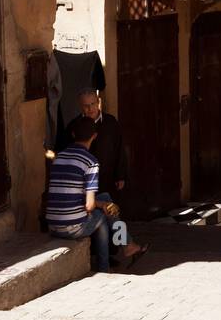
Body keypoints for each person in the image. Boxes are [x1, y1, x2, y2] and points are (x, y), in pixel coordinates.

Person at [46, 116, 146, 272]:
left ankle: (126, 245)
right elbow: (90, 206)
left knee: (105, 198)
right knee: (104, 216)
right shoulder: (90, 161)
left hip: (52, 224)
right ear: (94, 136)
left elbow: (71, 194)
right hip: (70, 227)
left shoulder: (59, 158)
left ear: (73, 134)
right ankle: (109, 262)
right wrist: (103, 206)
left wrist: (103, 204)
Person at [68, 90, 130, 196]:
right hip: (84, 183)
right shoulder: (74, 126)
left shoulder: (110, 122)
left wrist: (120, 175)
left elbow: (119, 148)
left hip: (108, 178)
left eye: (93, 104)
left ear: (98, 102)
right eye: (86, 105)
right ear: (80, 106)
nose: (90, 108)